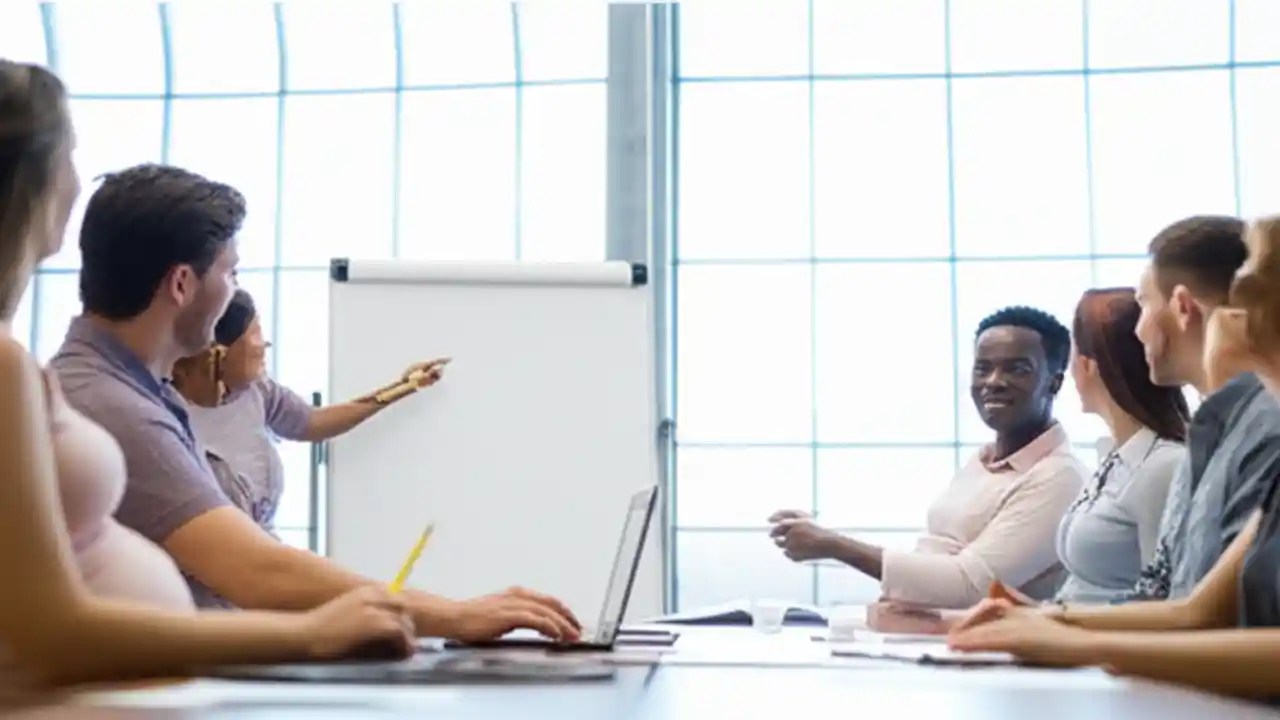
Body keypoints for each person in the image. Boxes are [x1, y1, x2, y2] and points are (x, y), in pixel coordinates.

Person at [0, 59, 414, 690]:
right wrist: (313, 634)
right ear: (33, 183)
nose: (77, 181)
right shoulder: (51, 383)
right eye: (70, 156)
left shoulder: (59, 375)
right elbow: (54, 630)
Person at [49, 162, 581, 641]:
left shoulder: (132, 389)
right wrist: (454, 616)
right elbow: (255, 571)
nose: (233, 292)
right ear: (182, 284)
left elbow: (310, 427)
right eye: (231, 272)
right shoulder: (113, 406)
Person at [947, 216, 1280, 702]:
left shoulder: (1254, 432)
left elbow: (1216, 621)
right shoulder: (1218, 430)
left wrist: (1073, 642)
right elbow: (1194, 609)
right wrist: (1047, 621)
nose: (1227, 315)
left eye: (1245, 298)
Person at [768, 306, 1089, 609]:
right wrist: (819, 537)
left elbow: (968, 586)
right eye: (983, 368)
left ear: (1054, 383)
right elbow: (936, 559)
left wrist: (832, 545)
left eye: (1017, 369)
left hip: (990, 645)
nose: (993, 382)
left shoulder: (1059, 477)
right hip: (923, 633)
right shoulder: (985, 460)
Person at [170, 288, 445, 542]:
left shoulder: (257, 391)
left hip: (260, 554)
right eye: (255, 333)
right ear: (217, 352)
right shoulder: (164, 413)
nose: (264, 345)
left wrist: (403, 387)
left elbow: (313, 422)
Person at [1053, 288, 1189, 603]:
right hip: (1065, 626)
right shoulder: (1120, 457)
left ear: (1086, 365)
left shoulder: (1164, 465)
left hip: (1102, 634)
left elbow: (1161, 599)